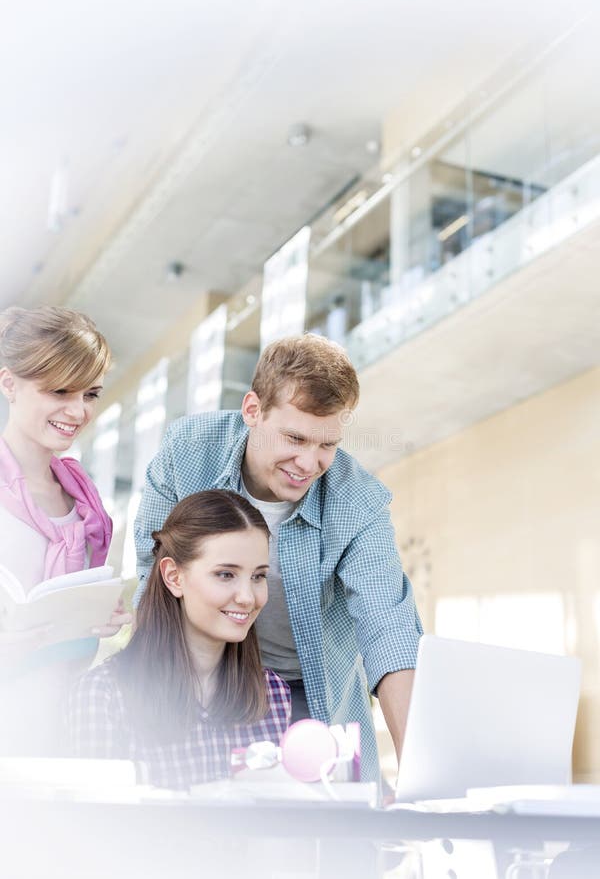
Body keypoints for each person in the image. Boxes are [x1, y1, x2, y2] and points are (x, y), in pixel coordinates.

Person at [134, 334, 422, 780]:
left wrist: (421, 774)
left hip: (312, 689)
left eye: (327, 444)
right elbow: (151, 577)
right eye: (295, 437)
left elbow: (390, 627)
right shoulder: (186, 452)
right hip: (203, 673)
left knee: (327, 821)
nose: (308, 463)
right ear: (253, 410)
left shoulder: (357, 501)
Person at [69, 490, 290, 788]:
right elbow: (93, 827)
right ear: (174, 576)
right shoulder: (103, 695)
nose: (247, 597)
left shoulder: (273, 695)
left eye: (258, 576)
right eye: (225, 574)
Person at [0, 305, 129, 752]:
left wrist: (100, 615)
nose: (77, 411)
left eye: (90, 394)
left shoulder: (85, 499)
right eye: (59, 391)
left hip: (63, 726)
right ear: (8, 384)